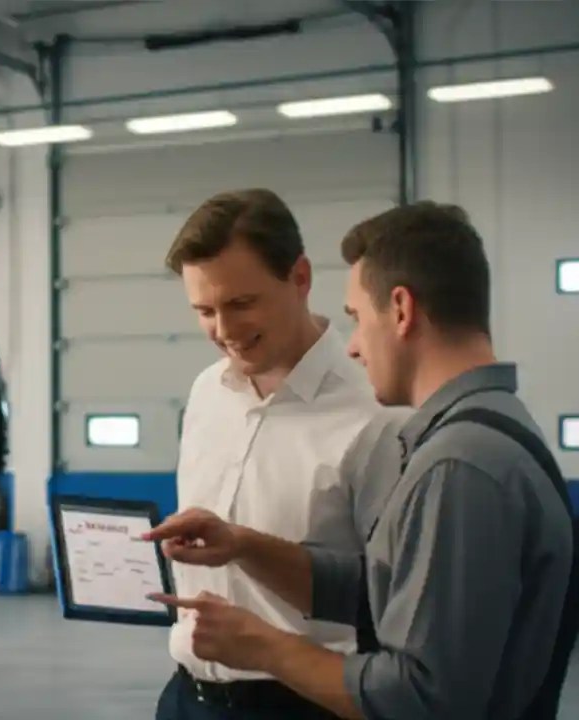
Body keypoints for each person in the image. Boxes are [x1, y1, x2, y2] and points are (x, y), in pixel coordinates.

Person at [146, 201, 579, 720]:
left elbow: (423, 695)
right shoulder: (488, 434)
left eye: (356, 318)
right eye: (205, 310)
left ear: (400, 310)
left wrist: (265, 647)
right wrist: (242, 545)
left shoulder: (458, 464)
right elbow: (389, 592)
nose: (352, 346)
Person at [153, 188, 400, 720]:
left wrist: (245, 548)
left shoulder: (374, 412)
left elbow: (390, 596)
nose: (224, 332)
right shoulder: (206, 392)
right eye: (204, 311)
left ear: (301, 277)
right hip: (186, 698)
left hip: (304, 706)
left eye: (241, 304)